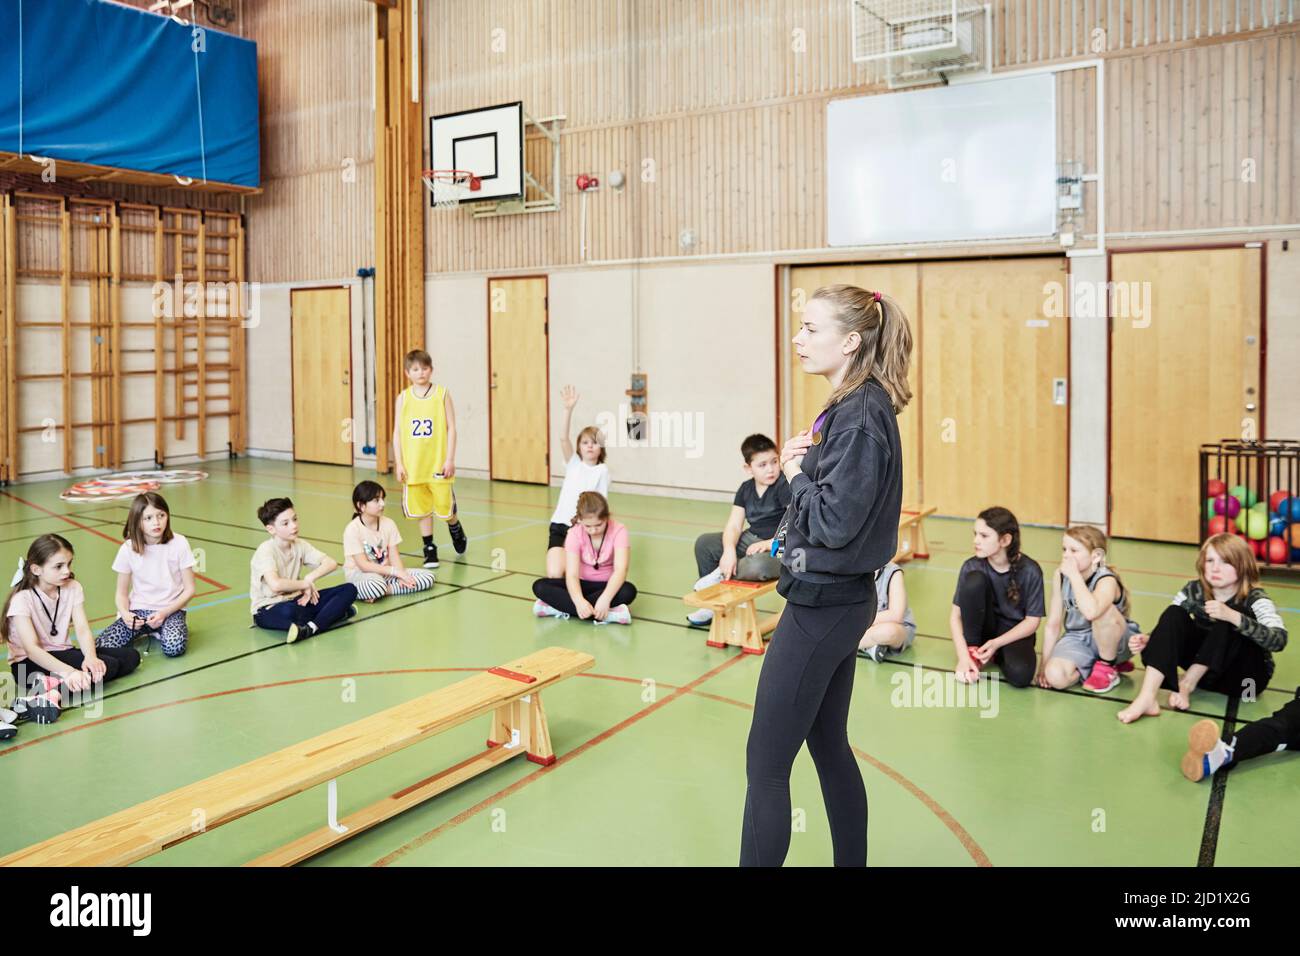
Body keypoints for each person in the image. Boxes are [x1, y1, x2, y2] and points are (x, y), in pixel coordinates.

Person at [741, 284, 912, 867]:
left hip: (823, 607)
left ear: (851, 340)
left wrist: (792, 470)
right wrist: (805, 461)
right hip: (837, 601)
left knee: (764, 766)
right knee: (828, 745)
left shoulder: (861, 414)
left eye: (811, 329)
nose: (798, 338)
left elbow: (836, 521)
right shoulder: (851, 406)